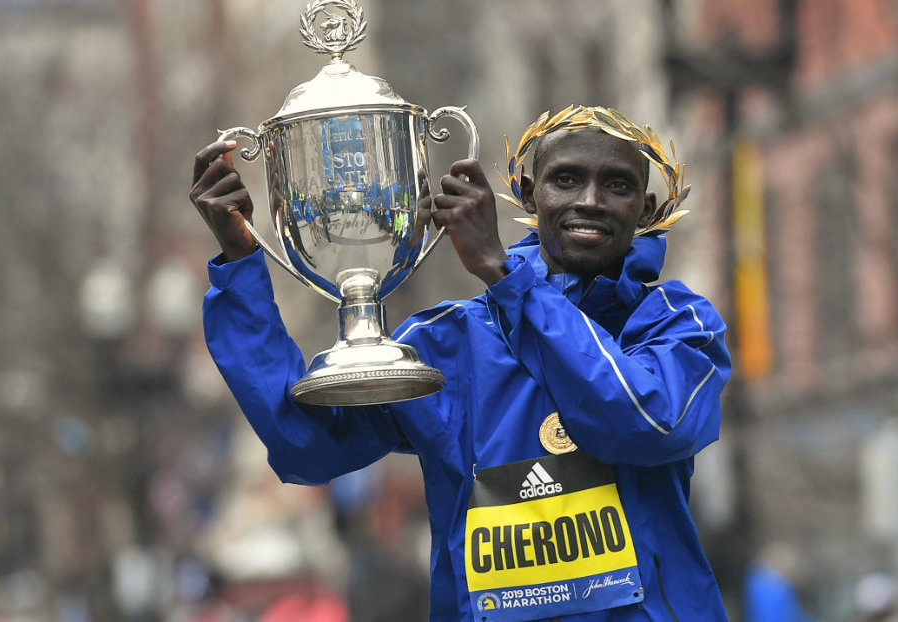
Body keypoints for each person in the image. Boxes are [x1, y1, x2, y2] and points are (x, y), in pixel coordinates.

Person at [190, 105, 731, 621]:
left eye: (618, 185)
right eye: (565, 180)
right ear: (526, 194)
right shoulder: (450, 342)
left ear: (646, 206)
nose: (590, 200)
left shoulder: (679, 325)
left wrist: (505, 276)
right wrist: (240, 260)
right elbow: (305, 446)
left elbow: (641, 423)